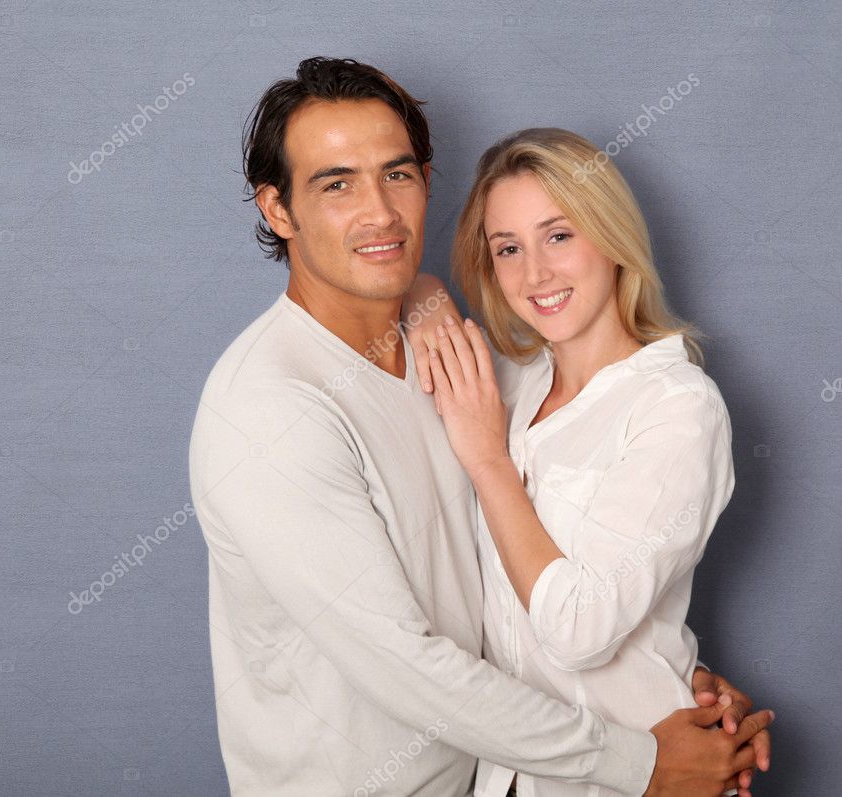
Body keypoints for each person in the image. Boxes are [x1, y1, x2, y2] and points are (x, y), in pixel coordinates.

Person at [189, 57, 772, 797]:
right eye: (335, 183)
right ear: (277, 210)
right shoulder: (271, 410)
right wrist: (643, 759)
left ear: (427, 182)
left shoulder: (461, 364)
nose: (380, 212)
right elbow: (403, 665)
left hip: (491, 779)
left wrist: (657, 677)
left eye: (396, 175)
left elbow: (518, 582)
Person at [403, 128, 767, 796]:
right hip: (507, 774)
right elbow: (414, 288)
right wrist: (428, 304)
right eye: (506, 248)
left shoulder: (677, 408)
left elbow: (578, 629)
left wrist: (487, 461)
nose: (533, 273)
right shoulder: (512, 383)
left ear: (611, 235)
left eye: (558, 235)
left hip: (642, 771)